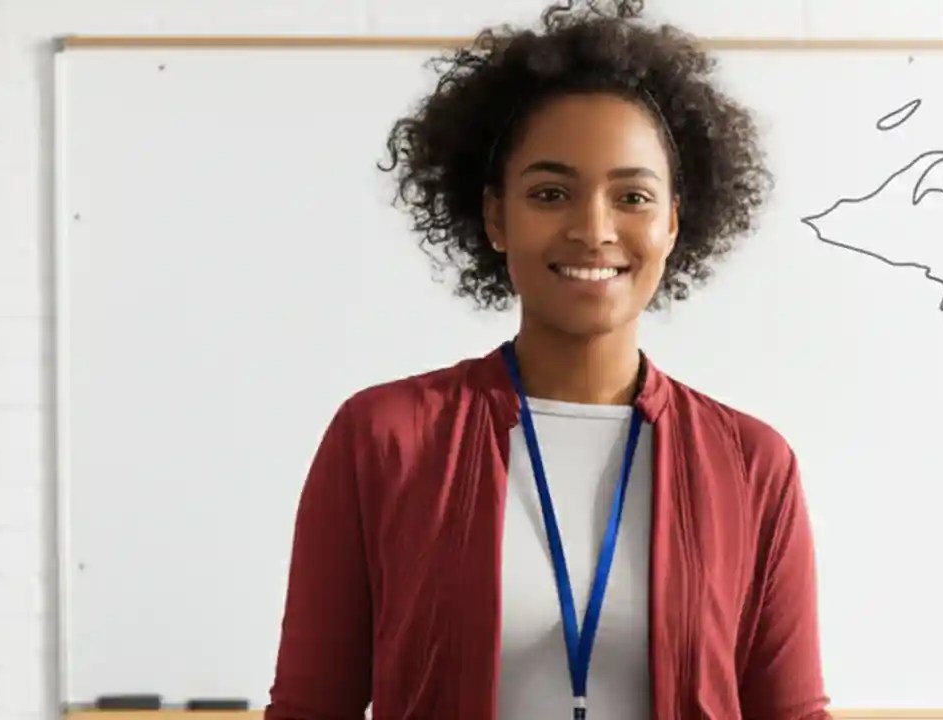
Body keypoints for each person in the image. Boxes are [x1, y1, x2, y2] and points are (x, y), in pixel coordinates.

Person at [265, 1, 830, 718]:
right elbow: (310, 708)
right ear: (497, 217)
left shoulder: (752, 464)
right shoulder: (384, 438)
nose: (594, 229)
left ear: (673, 223)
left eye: (632, 196)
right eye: (550, 193)